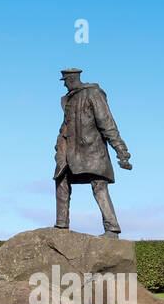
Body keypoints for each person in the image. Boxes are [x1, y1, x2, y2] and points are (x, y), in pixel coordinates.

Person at [53, 68, 131, 237]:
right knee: (61, 180)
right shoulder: (70, 99)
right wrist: (59, 144)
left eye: (65, 80)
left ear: (71, 79)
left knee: (99, 186)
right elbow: (66, 125)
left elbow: (106, 123)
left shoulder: (93, 94)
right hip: (71, 153)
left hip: (92, 152)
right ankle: (61, 226)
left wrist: (120, 150)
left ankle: (112, 228)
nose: (64, 84)